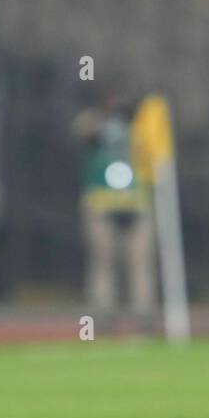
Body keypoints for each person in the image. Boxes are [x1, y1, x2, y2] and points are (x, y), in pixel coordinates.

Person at [70, 90, 156, 318]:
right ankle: (102, 311)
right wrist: (103, 123)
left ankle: (143, 312)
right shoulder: (92, 122)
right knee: (102, 259)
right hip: (101, 202)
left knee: (140, 261)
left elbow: (155, 153)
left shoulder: (142, 126)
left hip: (136, 202)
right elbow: (82, 134)